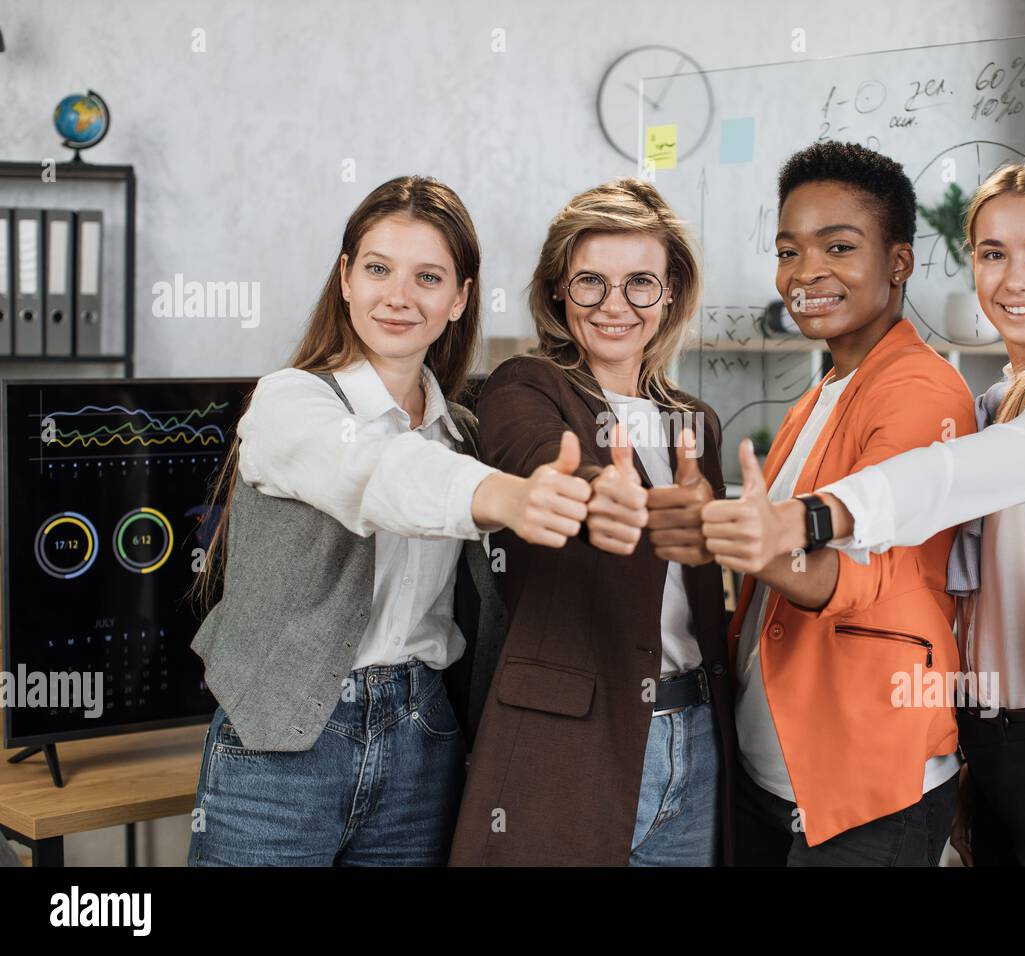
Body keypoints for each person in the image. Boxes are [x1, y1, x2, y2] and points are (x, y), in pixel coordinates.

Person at [723, 159, 1025, 866]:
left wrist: (813, 518)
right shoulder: (1000, 402)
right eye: (992, 254)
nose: (1015, 277)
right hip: (1005, 752)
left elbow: (944, 478)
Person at [185, 175, 592, 866]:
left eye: (428, 276)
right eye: (378, 269)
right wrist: (506, 498)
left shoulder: (462, 434)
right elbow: (376, 474)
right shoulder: (291, 403)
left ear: (460, 298)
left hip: (423, 736)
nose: (399, 296)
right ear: (346, 278)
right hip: (284, 738)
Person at [699, 141, 975, 865]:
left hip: (861, 781)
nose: (806, 272)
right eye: (789, 251)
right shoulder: (819, 393)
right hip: (777, 769)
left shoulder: (921, 390)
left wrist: (763, 548)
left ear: (899, 263)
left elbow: (869, 574)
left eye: (839, 246)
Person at [449, 178, 736, 866]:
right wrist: (591, 492)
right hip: (569, 748)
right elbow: (539, 463)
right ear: (557, 292)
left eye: (641, 283)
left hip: (695, 739)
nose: (615, 306)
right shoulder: (522, 387)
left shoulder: (695, 423)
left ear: (671, 293)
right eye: (589, 283)